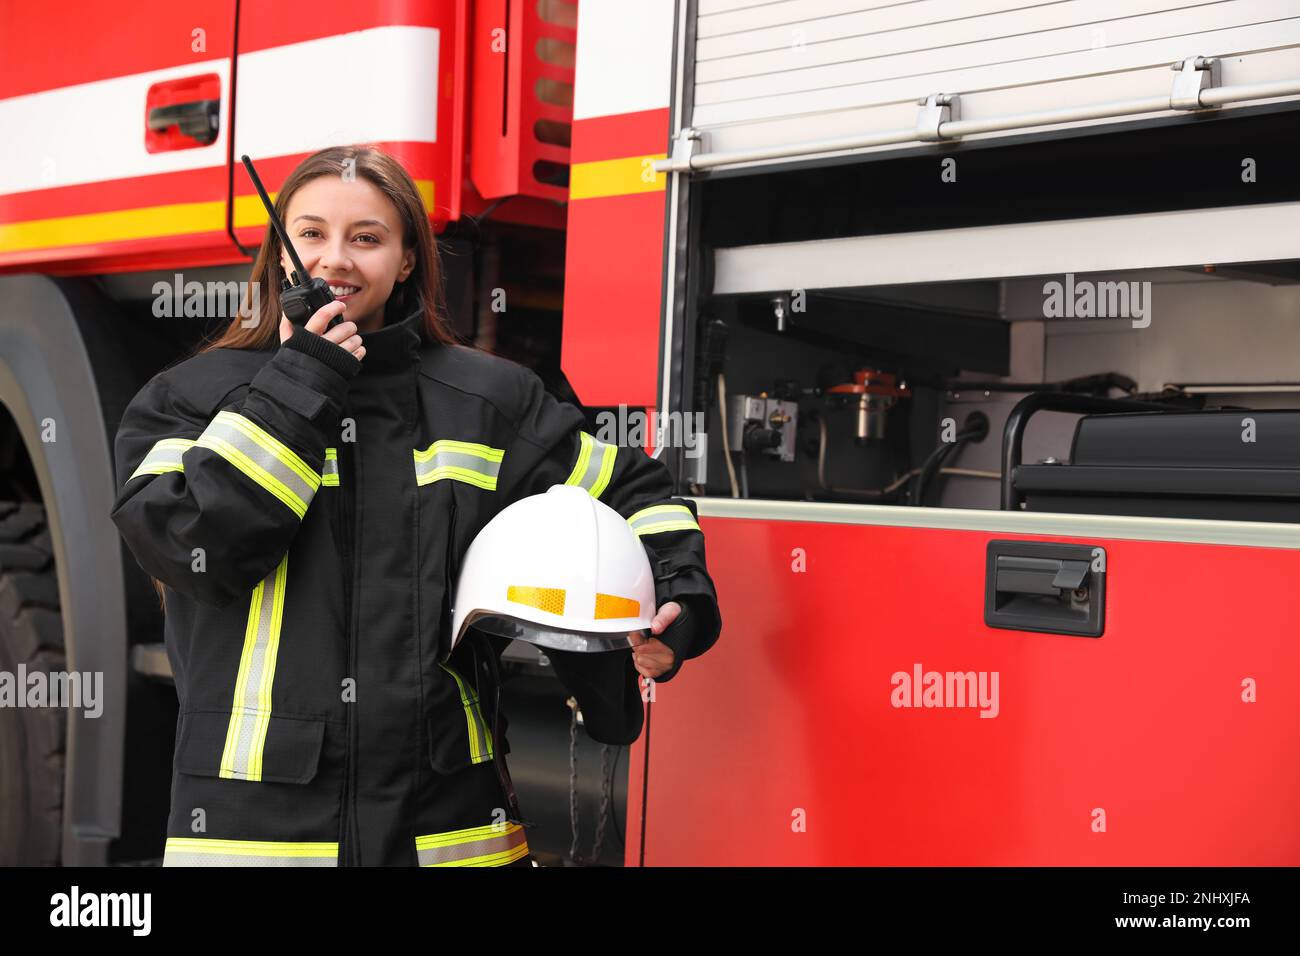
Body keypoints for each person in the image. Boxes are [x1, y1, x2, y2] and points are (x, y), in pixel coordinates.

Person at [110, 145, 722, 867]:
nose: (335, 259)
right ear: (281, 254)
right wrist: (301, 382)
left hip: (451, 827)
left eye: (366, 238)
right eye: (311, 234)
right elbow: (190, 547)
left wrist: (678, 598)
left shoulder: (487, 401)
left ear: (406, 261)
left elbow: (634, 491)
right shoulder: (189, 398)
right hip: (256, 831)